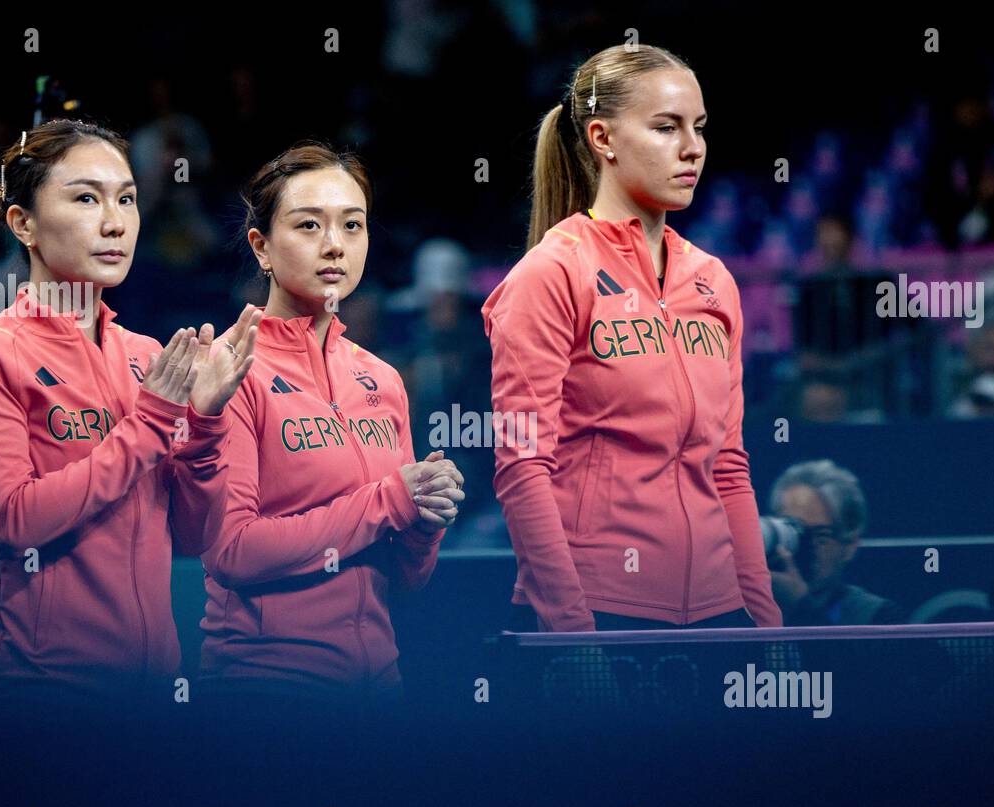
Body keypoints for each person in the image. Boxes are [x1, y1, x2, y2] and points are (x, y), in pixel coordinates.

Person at [0, 119, 256, 702]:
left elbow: (193, 534)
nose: (115, 221)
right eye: (86, 198)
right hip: (40, 698)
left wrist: (205, 425)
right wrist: (152, 422)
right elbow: (15, 519)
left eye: (126, 198)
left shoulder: (146, 359)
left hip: (156, 696)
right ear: (23, 223)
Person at [483, 44, 780, 633]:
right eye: (666, 128)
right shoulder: (551, 273)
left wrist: (766, 622)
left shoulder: (715, 281)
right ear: (602, 138)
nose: (692, 147)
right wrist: (571, 629)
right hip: (601, 611)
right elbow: (522, 467)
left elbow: (728, 467)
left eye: (698, 128)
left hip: (719, 613)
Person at [199, 142, 465, 705]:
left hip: (380, 686)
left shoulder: (382, 379)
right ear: (261, 247)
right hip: (266, 691)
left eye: (352, 225)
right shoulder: (228, 370)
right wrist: (392, 500)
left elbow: (404, 578)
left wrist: (425, 520)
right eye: (308, 225)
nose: (334, 245)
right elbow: (233, 551)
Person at [766, 459, 905, 626]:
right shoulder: (742, 607)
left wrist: (800, 606)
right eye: (793, 531)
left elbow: (838, 653)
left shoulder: (877, 618)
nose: (805, 547)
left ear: (850, 545)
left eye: (821, 536)